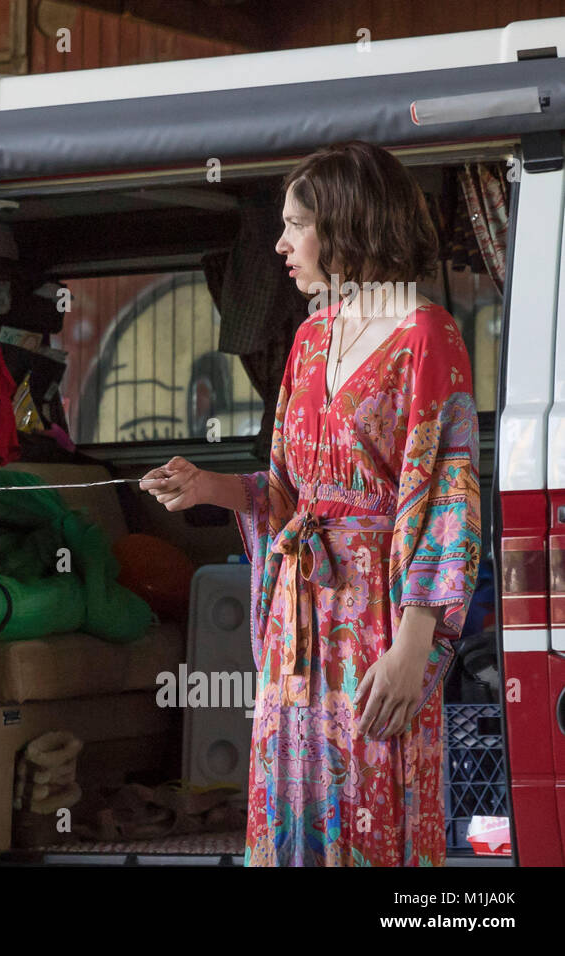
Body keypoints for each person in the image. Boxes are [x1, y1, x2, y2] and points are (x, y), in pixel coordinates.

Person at [142, 141, 480, 866]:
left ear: (348, 226)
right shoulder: (308, 338)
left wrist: (414, 644)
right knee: (289, 802)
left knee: (368, 801)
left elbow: (452, 502)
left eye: (296, 225)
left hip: (378, 622)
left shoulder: (428, 339)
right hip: (298, 629)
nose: (280, 243)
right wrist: (208, 488)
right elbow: (286, 495)